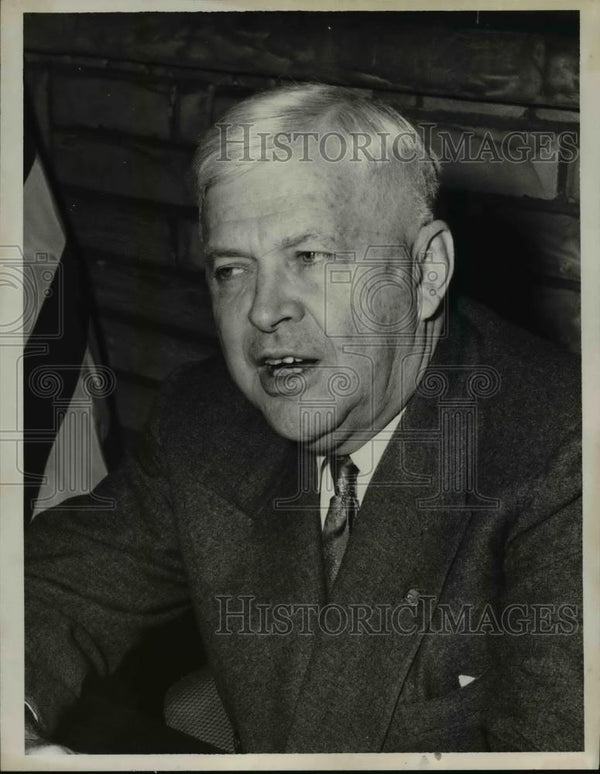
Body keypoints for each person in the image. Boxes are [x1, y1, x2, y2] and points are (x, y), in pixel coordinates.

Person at [24, 84, 582, 754]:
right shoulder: (208, 419)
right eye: (232, 269)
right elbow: (51, 587)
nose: (263, 311)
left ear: (426, 271)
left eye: (309, 258)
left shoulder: (565, 456)